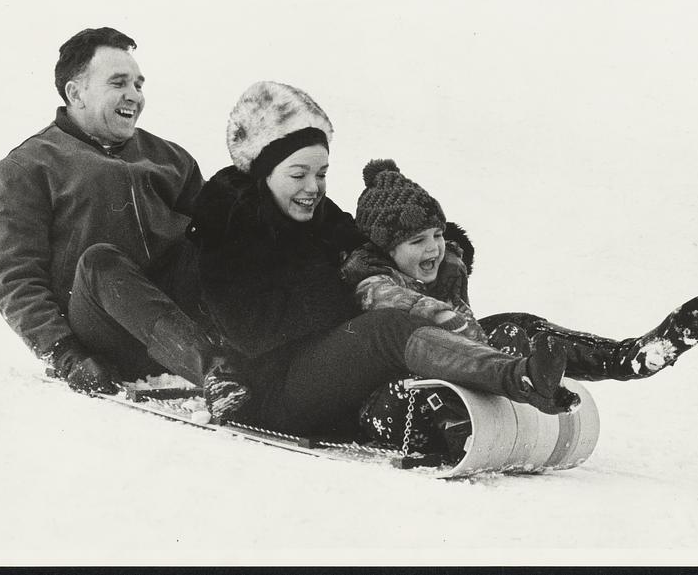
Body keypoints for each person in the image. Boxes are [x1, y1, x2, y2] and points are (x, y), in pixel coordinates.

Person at [185, 81, 581, 437]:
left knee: (495, 323)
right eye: (299, 175)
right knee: (387, 328)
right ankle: (517, 378)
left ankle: (615, 359)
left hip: (333, 371)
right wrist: (352, 287)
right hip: (273, 393)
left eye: (322, 173)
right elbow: (252, 331)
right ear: (263, 173)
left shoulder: (318, 217)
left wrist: (436, 255)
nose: (313, 188)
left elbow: (374, 249)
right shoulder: (229, 231)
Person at [340, 159, 698, 448]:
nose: (434, 247)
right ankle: (465, 430)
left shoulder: (445, 272)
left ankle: (626, 357)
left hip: (454, 380)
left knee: (516, 325)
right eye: (417, 240)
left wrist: (509, 342)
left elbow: (469, 338)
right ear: (388, 249)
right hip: (388, 406)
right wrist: (485, 346)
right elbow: (439, 324)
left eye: (437, 234)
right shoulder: (376, 287)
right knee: (440, 370)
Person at [0, 27, 207, 395]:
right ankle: (217, 372)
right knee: (100, 262)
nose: (133, 96)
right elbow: (17, 278)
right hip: (107, 338)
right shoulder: (27, 167)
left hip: (184, 326)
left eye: (138, 84)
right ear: (76, 93)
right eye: (119, 83)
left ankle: (286, 359)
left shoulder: (172, 158)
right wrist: (65, 354)